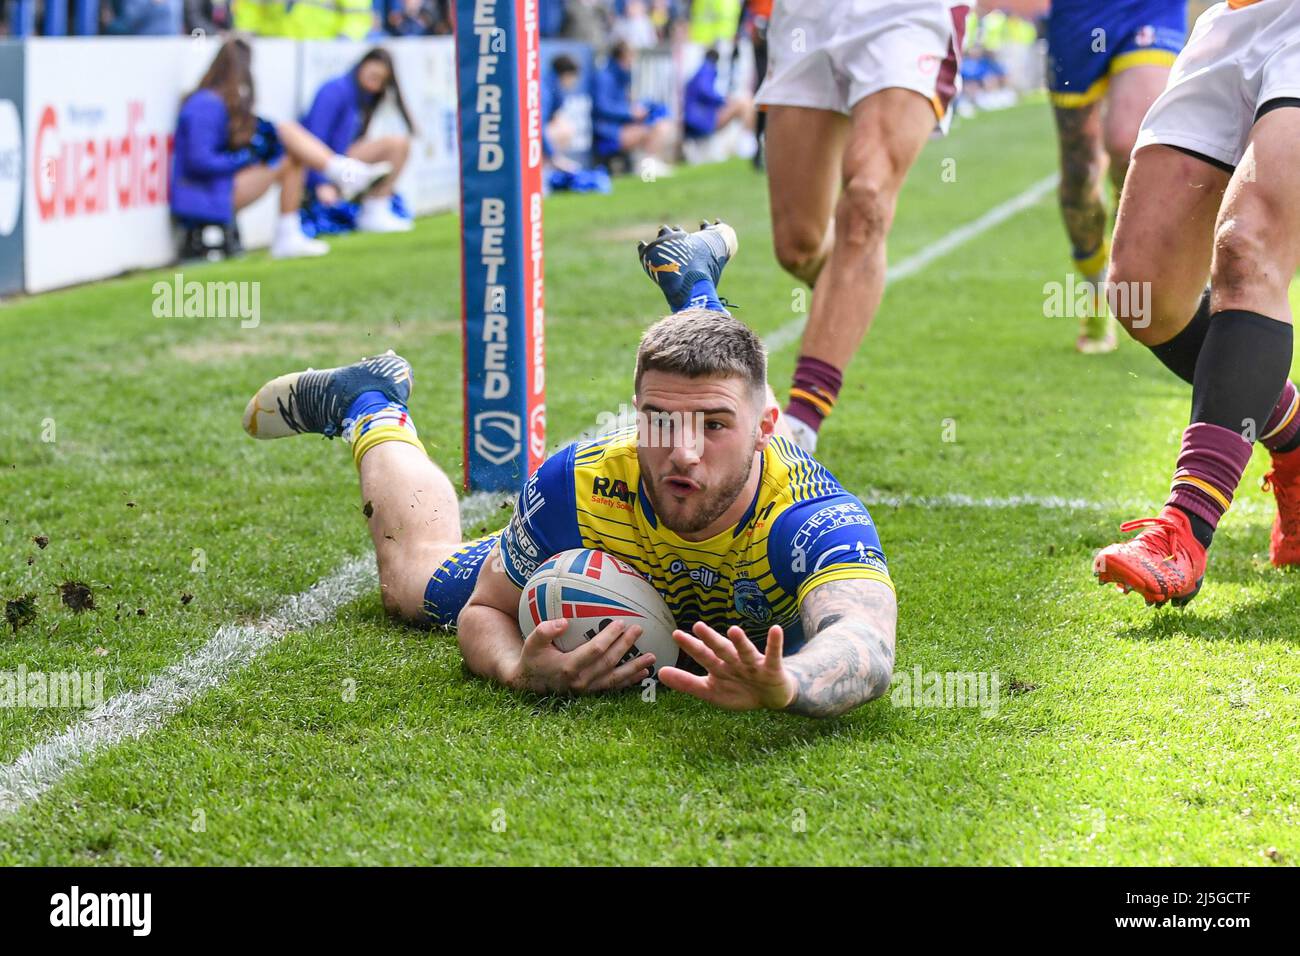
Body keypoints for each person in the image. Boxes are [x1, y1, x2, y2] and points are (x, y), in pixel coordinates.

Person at [242, 222, 897, 716]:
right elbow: (484, 613)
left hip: (736, 482)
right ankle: (369, 405)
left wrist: (791, 684)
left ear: (765, 431)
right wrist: (513, 669)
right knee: (410, 585)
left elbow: (864, 639)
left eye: (717, 427)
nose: (684, 451)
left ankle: (694, 282)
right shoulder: (578, 486)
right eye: (659, 422)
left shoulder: (808, 515)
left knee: (718, 381)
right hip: (598, 547)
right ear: (636, 416)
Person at [1094, 0, 1300, 606]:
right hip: (1233, 18)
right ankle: (1293, 440)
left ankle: (1185, 528)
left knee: (1246, 245)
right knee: (1142, 295)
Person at [755, 0, 968, 454]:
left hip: (907, 12)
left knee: (867, 198)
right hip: (806, 15)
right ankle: (852, 289)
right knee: (798, 245)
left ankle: (801, 423)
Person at [1046, 0, 1187, 354]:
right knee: (1079, 172)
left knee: (1129, 142)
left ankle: (1138, 276)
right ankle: (1096, 292)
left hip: (1149, 9)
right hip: (1077, 17)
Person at [170, 38, 393, 259]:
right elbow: (200, 161)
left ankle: (297, 224)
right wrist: (246, 157)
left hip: (214, 188)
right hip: (201, 194)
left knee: (287, 145)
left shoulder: (216, 102)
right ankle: (340, 174)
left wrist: (254, 148)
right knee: (285, 141)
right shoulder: (205, 104)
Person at [301, 48, 415, 234]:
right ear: (362, 65)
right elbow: (314, 137)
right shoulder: (334, 91)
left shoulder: (364, 99)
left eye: (380, 81)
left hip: (347, 171)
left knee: (400, 144)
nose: (375, 84)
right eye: (373, 76)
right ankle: (372, 210)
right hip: (328, 167)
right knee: (395, 144)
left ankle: (376, 206)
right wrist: (320, 182)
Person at [592, 40, 675, 173]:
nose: (632, 62)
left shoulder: (623, 77)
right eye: (630, 57)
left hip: (619, 125)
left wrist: (637, 108)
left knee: (663, 124)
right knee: (655, 130)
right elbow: (601, 107)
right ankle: (647, 168)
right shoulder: (604, 77)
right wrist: (630, 113)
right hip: (607, 130)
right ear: (622, 57)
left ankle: (649, 165)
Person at [682, 48, 756, 154]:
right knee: (744, 104)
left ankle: (748, 143)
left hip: (698, 118)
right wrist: (722, 100)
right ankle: (748, 145)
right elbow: (704, 90)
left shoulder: (701, 69)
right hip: (702, 120)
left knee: (745, 103)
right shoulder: (707, 68)